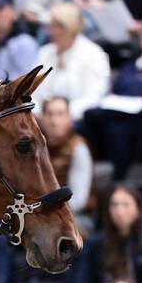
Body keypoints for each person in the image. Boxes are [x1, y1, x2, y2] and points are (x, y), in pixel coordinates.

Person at [81, 17, 142, 179]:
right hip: (120, 110)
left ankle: (120, 178)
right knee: (90, 115)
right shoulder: (130, 66)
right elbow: (117, 89)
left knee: (118, 130)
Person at [32, 2, 110, 121]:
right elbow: (31, 92)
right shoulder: (44, 53)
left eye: (56, 27)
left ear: (70, 28)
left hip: (78, 121)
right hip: (41, 120)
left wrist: (61, 116)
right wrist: (42, 114)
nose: (50, 32)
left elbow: (94, 96)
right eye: (50, 26)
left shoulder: (94, 55)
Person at [37, 97, 93, 234]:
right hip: (37, 214)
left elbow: (78, 200)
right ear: (42, 118)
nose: (54, 121)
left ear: (70, 118)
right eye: (49, 114)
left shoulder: (78, 148)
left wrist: (44, 214)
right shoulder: (36, 147)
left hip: (75, 216)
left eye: (60, 114)